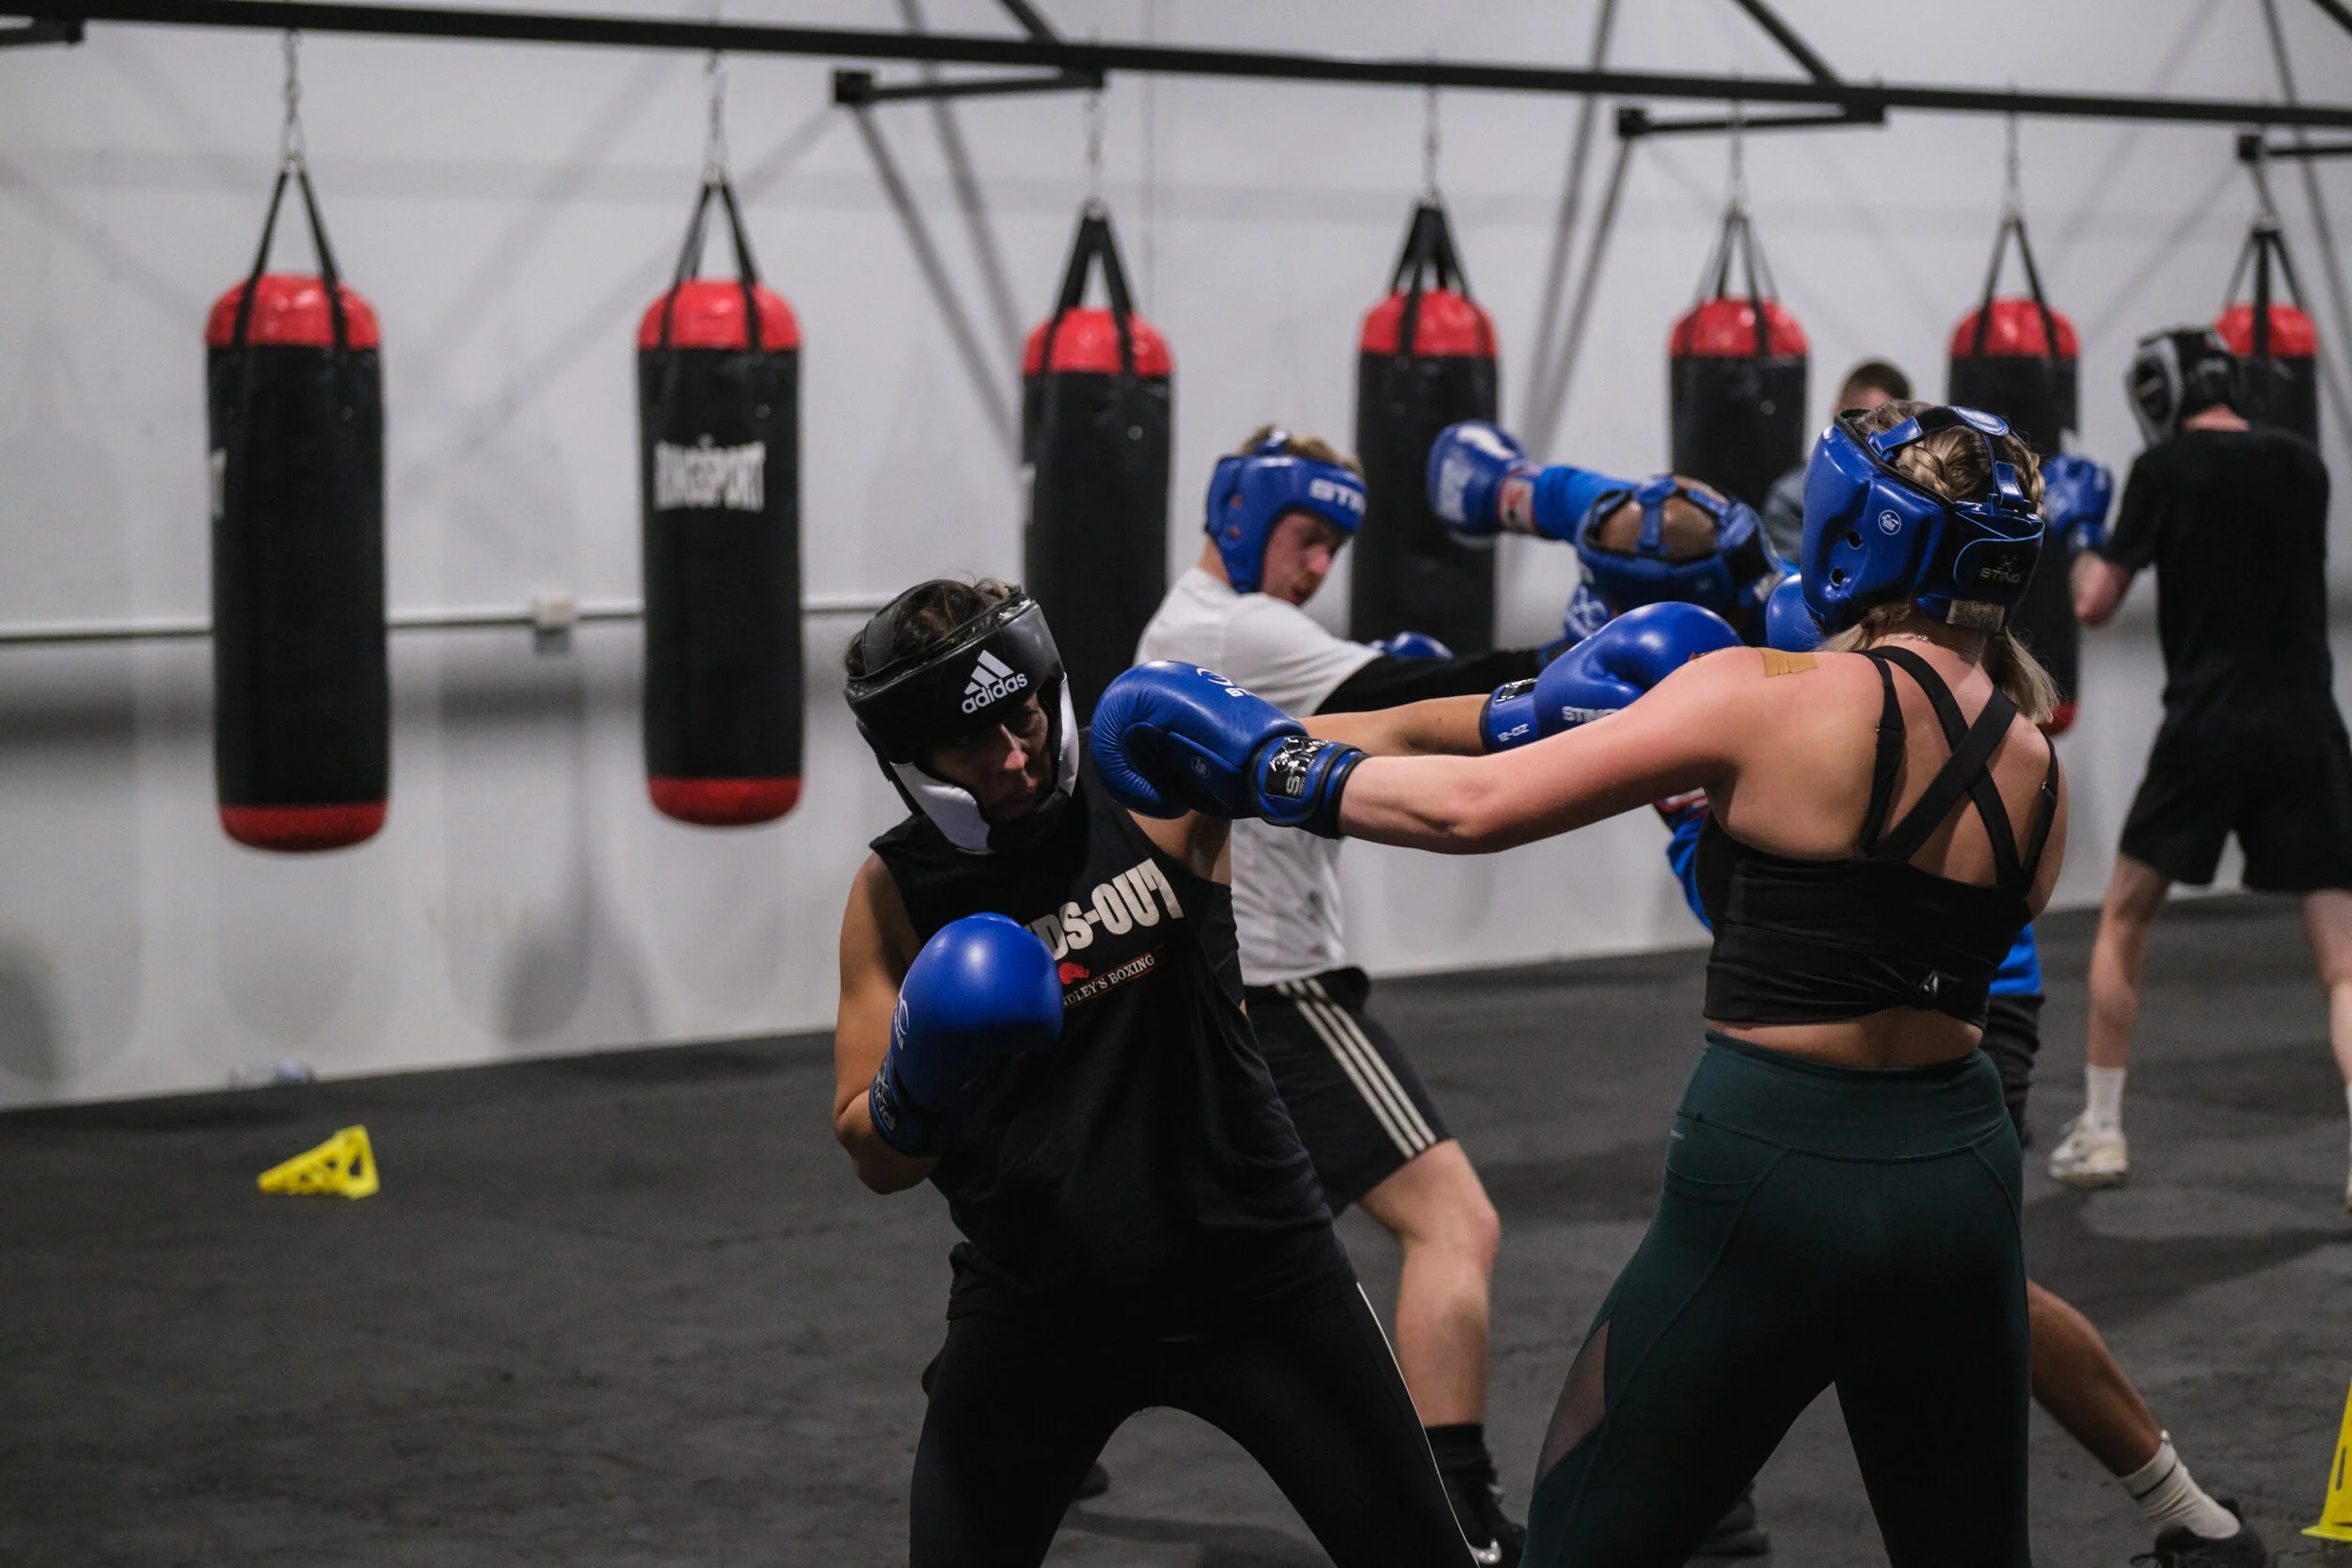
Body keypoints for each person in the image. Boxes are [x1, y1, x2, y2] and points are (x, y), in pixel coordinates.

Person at [1093, 399, 2066, 1566]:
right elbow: (1864, 922)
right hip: (1961, 1180)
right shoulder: (2037, 761)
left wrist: (1271, 760)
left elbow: (1473, 809)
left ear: (1861, 531)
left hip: (1775, 1173)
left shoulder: (1765, 696)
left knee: (1581, 1535)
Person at [1449, 432, 2265, 1567]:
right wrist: (1529, 495)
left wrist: (1291, 763)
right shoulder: (2011, 734)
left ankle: (2180, 1505)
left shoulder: (1769, 683)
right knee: (1938, 1294)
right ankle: (2184, 1513)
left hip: (1900, 1055)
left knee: (1948, 1296)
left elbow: (1497, 816)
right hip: (1947, 1081)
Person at [830, 579, 1471, 1567]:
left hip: (1260, 1268)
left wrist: (1531, 706)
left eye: (1024, 714)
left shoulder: (1150, 786)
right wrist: (922, 1075)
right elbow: (871, 1153)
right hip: (1040, 1300)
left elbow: (1375, 732)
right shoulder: (894, 895)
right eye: (975, 742)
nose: (1014, 753)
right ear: (912, 760)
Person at [1136, 427, 1570, 1563]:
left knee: (1181, 1256)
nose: (1316, 560)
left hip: (1226, 986)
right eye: (1303, 533)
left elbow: (1372, 697)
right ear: (1240, 515)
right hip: (1285, 989)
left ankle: (991, 1371)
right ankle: (1460, 1516)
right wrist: (1574, 661)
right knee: (1453, 1221)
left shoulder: (1193, 627)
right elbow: (1419, 698)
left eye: (1332, 543)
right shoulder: (1242, 628)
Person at [2053, 325, 2352, 1209]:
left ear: (2160, 394)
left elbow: (2095, 603)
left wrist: (2077, 532)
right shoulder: (2305, 465)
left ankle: (2102, 1129)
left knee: (2123, 921)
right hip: (2309, 726)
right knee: (2343, 963)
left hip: (2207, 729)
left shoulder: (2165, 471)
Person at [1760, 358, 1913, 559]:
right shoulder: (1792, 500)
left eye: (1889, 426)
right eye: (1868, 420)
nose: (1876, 435)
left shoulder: (1911, 499)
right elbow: (1797, 580)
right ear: (1839, 414)